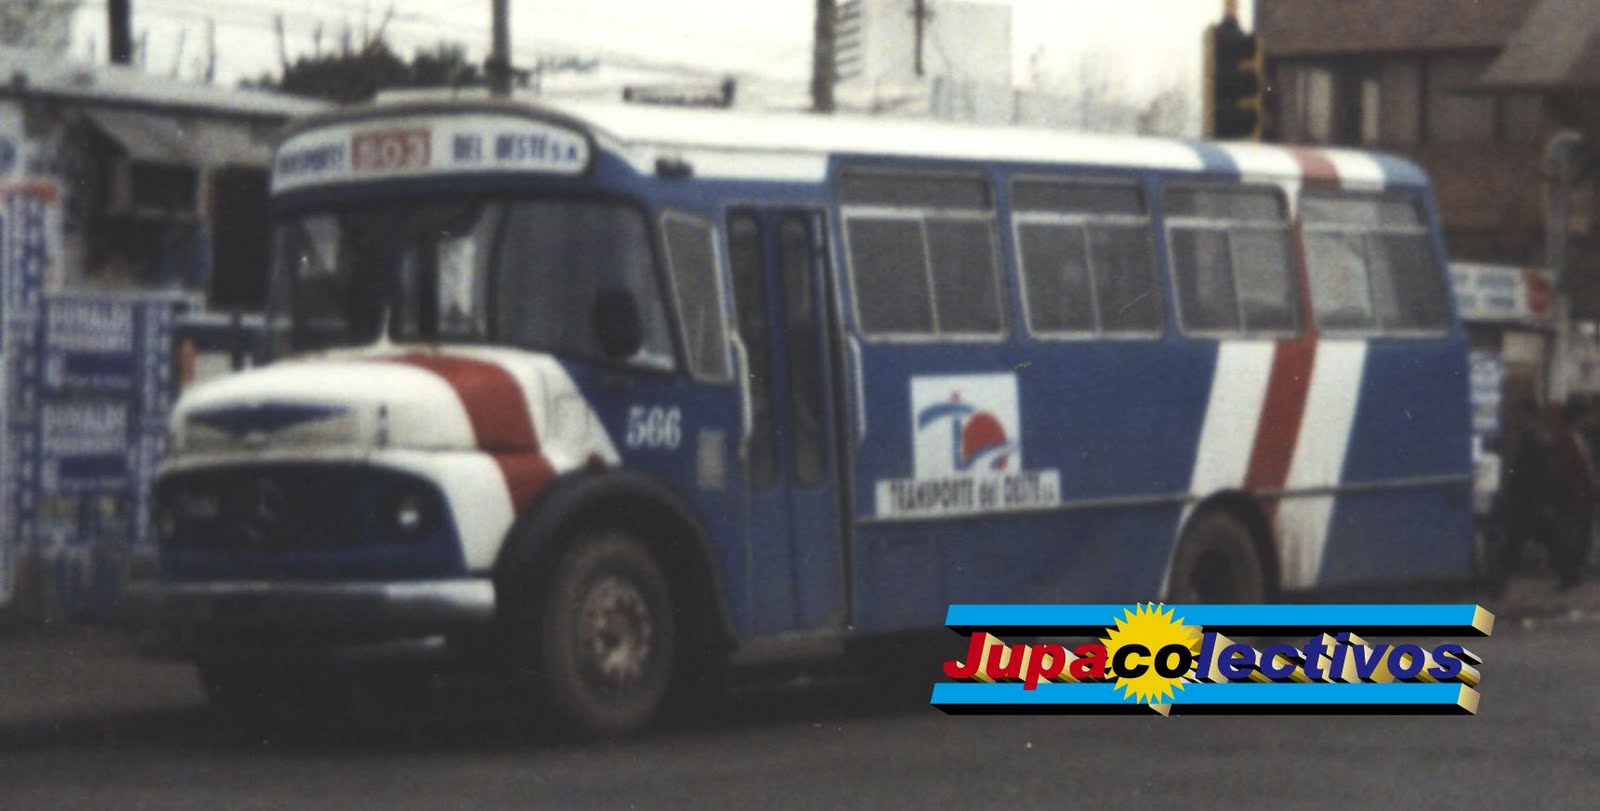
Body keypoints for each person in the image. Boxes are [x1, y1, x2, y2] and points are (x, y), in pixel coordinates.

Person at [1498, 398, 1554, 578]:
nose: (1515, 417)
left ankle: (1500, 582)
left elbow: (1540, 470)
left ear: (1526, 414)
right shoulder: (1532, 435)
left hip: (1528, 499)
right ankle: (1568, 573)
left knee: (1515, 540)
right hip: (1529, 498)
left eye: (1518, 412)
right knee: (1541, 536)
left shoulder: (1532, 437)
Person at [1546, 400, 1596, 589]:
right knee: (1571, 537)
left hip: (1580, 494)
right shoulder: (1567, 437)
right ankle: (1569, 576)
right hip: (1574, 495)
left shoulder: (1574, 436)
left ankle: (1572, 574)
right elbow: (1569, 469)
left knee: (1575, 536)